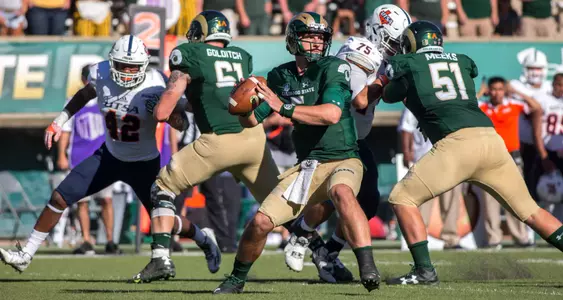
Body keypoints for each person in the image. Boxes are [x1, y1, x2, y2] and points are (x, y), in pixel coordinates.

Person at [381, 20, 563, 285]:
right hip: (491, 141)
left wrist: (386, 75)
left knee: (402, 198)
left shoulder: (409, 64)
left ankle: (424, 271)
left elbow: (387, 95)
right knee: (531, 213)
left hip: (457, 143)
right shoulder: (462, 60)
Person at [214, 12, 380, 294]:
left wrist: (284, 107)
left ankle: (368, 267)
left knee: (342, 193)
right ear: (293, 40)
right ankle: (236, 278)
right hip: (307, 166)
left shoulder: (334, 67)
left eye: (320, 37)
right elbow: (254, 121)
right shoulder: (281, 75)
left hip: (343, 158)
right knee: (261, 222)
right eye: (309, 36)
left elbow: (331, 113)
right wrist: (243, 107)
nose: (316, 42)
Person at [0, 35, 192, 273]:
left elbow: (182, 123)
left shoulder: (156, 81)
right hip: (109, 156)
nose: (128, 71)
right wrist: (59, 121)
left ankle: (203, 238)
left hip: (144, 162)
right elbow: (83, 95)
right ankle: (26, 254)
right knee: (60, 197)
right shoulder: (100, 73)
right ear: (112, 63)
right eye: (123, 65)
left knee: (164, 219)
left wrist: (168, 113)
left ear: (144, 65)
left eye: (133, 66)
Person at [131, 10, 281, 283]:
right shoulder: (241, 56)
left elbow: (164, 112)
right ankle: (321, 252)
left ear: (201, 33)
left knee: (162, 187)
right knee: (277, 203)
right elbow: (220, 95)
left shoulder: (190, 53)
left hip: (219, 141)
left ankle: (160, 258)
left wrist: (161, 106)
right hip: (253, 138)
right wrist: (188, 107)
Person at [282, 4, 410, 283]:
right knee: (336, 196)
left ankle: (328, 252)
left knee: (368, 202)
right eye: (391, 40)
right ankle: (302, 234)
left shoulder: (382, 58)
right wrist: (388, 78)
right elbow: (360, 100)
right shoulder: (360, 50)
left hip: (356, 138)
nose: (394, 47)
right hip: (334, 138)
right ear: (376, 32)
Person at [57, 64, 120, 255]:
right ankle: (86, 240)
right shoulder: (75, 101)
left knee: (106, 200)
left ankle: (110, 240)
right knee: (82, 202)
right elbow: (66, 131)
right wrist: (61, 155)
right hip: (80, 158)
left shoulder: (106, 100)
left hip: (104, 158)